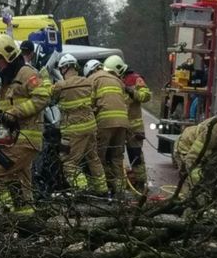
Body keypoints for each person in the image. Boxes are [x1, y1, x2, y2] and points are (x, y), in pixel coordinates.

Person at [0, 33, 51, 215]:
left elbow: (43, 98)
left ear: (9, 55)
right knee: (21, 182)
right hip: (12, 139)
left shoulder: (27, 73)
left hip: (26, 139)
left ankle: (4, 214)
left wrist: (14, 112)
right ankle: (26, 223)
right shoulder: (4, 79)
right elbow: (4, 109)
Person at [52, 54, 107, 194]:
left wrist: (46, 81)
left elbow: (49, 98)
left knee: (69, 163)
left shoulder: (61, 85)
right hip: (91, 128)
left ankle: (81, 189)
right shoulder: (88, 82)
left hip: (73, 131)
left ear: (64, 68)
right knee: (93, 159)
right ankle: (102, 190)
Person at [104, 54, 151, 192]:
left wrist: (131, 91)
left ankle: (141, 184)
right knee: (116, 156)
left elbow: (145, 96)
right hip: (119, 126)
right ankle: (118, 184)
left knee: (135, 155)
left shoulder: (135, 79)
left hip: (134, 128)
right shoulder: (113, 81)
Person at [91, 58, 130, 197]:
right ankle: (119, 190)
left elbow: (90, 102)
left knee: (99, 157)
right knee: (117, 157)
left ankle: (103, 188)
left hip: (105, 123)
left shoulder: (94, 78)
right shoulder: (119, 82)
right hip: (123, 123)